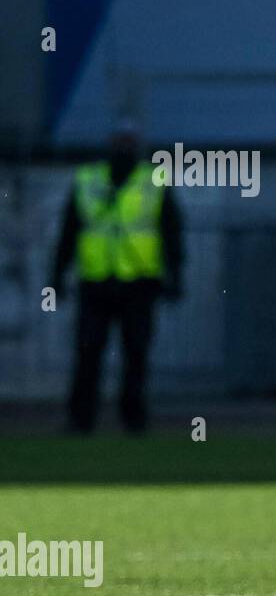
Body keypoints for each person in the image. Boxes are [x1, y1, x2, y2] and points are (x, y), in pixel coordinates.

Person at [53, 122, 184, 433]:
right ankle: (81, 419)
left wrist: (175, 274)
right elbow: (69, 230)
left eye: (128, 142)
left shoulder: (154, 181)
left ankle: (134, 419)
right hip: (96, 280)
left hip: (139, 281)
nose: (123, 148)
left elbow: (171, 231)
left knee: (136, 352)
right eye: (119, 141)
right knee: (88, 351)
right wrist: (57, 274)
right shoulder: (88, 179)